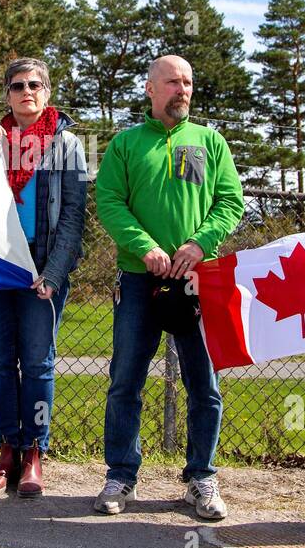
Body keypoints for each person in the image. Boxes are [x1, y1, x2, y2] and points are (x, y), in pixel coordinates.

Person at [91, 55, 243, 520]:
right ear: (150, 89)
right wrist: (145, 248)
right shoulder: (125, 145)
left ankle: (201, 478)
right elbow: (109, 201)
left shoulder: (208, 142)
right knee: (125, 382)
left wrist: (200, 243)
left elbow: (230, 200)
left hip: (199, 280)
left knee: (205, 385)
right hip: (140, 280)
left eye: (189, 82)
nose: (184, 89)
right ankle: (121, 476)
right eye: (174, 81)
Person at [0, 58, 88, 497]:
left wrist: (54, 273)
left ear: (48, 92)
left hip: (42, 269)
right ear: (6, 94)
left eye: (35, 84)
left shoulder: (69, 145)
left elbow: (75, 216)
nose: (27, 91)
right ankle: (7, 450)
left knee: (38, 362)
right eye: (18, 85)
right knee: (0, 361)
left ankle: (35, 454)